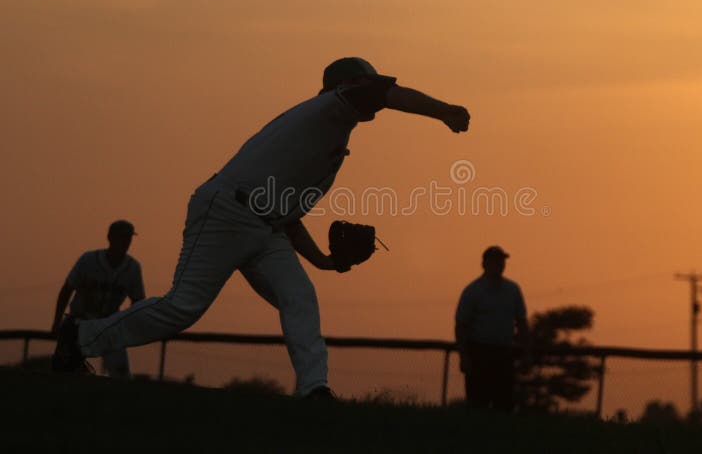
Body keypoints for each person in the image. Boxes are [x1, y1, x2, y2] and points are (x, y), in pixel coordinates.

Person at [53, 57, 470, 398]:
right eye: (365, 81)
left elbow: (289, 217)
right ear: (346, 86)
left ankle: (314, 390)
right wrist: (443, 111)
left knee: (300, 297)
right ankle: (81, 337)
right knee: (183, 307)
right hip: (225, 213)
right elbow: (386, 92)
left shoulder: (331, 144)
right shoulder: (330, 106)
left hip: (265, 226)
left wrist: (322, 261)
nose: (371, 91)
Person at [51, 220, 145, 378]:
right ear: (110, 237)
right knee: (62, 372)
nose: (125, 242)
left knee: (121, 376)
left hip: (109, 324)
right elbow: (67, 289)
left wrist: (128, 327)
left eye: (128, 238)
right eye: (121, 237)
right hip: (79, 322)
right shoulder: (88, 260)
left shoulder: (132, 268)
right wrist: (57, 321)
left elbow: (139, 303)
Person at [455, 246, 528, 411]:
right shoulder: (473, 291)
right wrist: (464, 356)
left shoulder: (513, 290)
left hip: (504, 352)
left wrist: (525, 352)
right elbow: (461, 326)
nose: (500, 264)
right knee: (478, 402)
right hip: (479, 352)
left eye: (502, 261)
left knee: (504, 403)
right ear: (484, 264)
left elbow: (522, 323)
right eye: (496, 260)